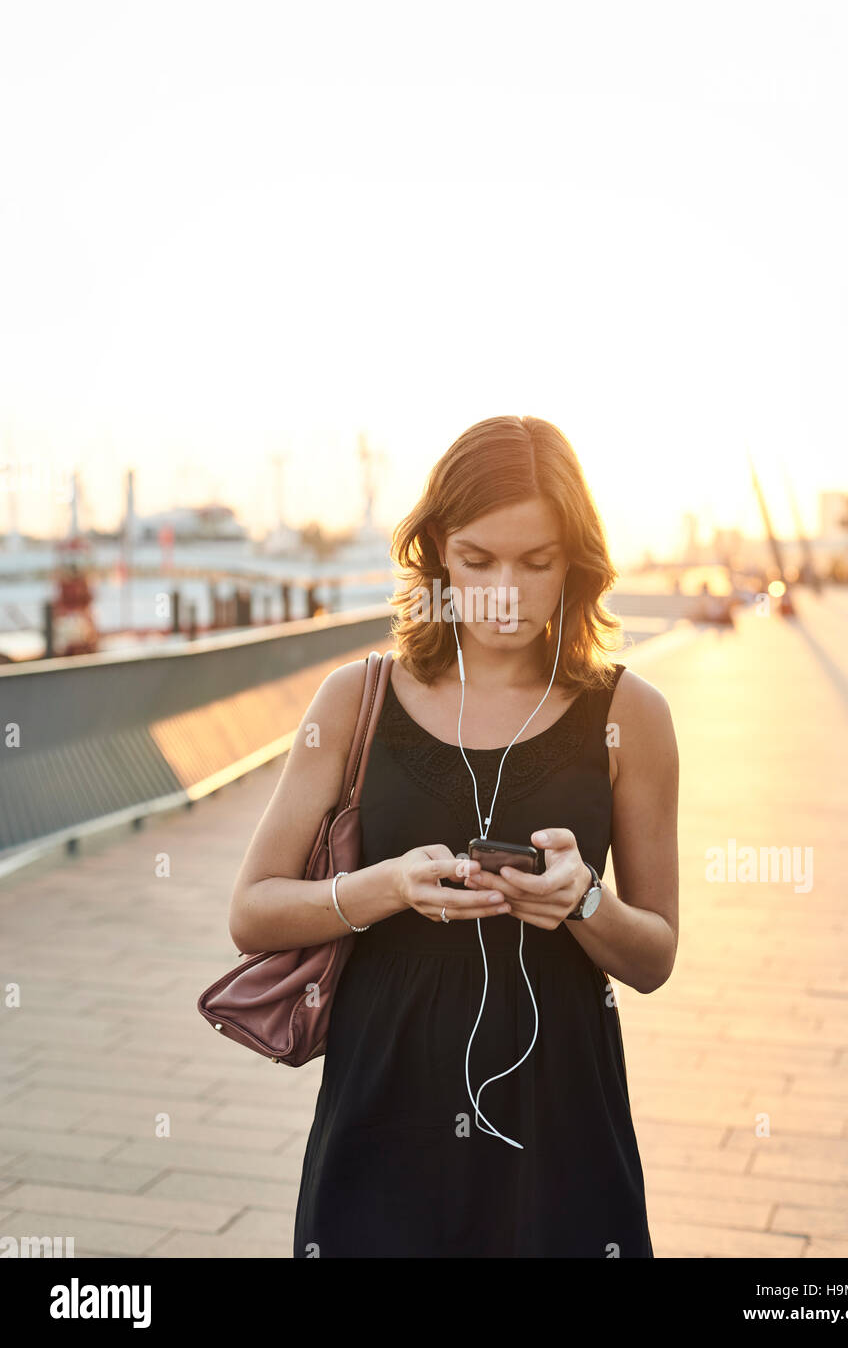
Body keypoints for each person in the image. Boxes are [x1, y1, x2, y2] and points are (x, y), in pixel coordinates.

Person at [229, 414, 679, 1257]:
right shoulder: (353, 701)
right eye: (477, 560)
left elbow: (653, 958)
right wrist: (387, 887)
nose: (505, 589)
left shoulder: (632, 715)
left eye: (536, 562)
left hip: (561, 1126)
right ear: (436, 550)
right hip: (382, 1115)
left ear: (576, 560)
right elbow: (252, 913)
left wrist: (582, 900)